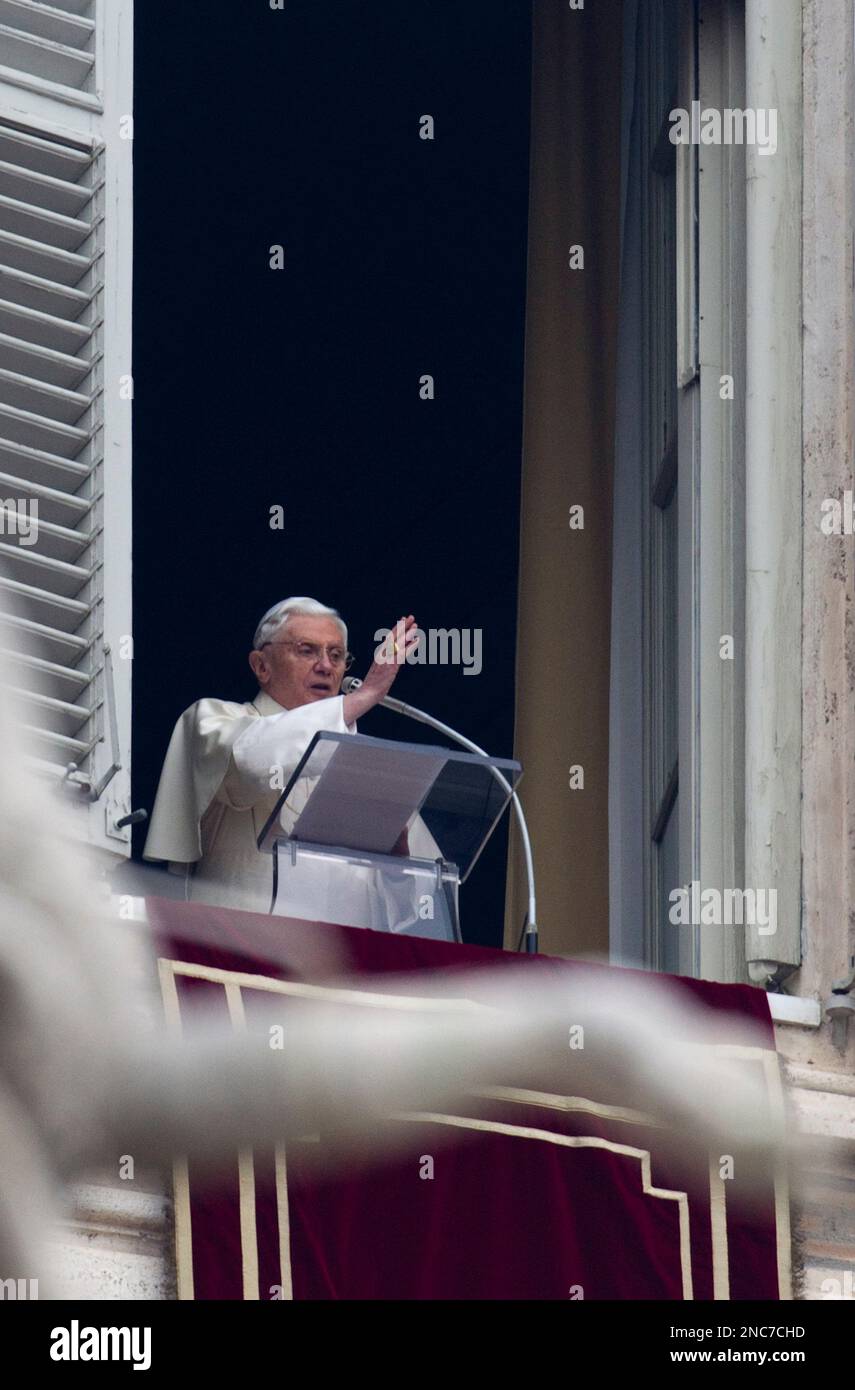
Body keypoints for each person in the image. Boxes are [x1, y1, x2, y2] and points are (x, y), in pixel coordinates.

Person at [143, 598, 431, 917]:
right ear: (261, 666)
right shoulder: (211, 720)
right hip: (233, 954)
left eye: (336, 655)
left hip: (344, 961)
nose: (326, 666)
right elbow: (251, 761)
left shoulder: (374, 767)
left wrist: (397, 869)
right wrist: (364, 697)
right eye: (307, 650)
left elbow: (425, 909)